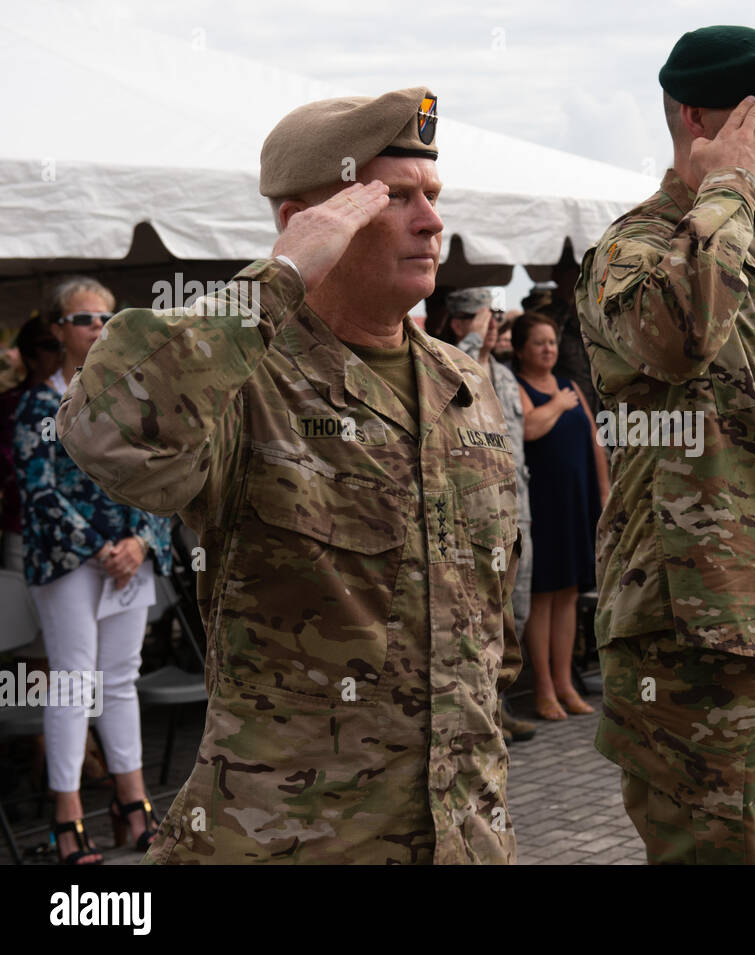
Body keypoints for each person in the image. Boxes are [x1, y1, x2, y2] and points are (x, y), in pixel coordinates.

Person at [58, 87, 522, 864]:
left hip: (462, 831)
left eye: (433, 196)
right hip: (294, 838)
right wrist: (277, 279)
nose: (432, 222)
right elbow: (106, 431)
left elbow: (482, 616)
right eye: (395, 198)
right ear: (303, 221)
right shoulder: (247, 381)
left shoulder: (462, 383)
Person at [577, 24, 755, 865]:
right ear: (695, 115)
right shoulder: (635, 247)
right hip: (692, 645)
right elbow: (678, 337)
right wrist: (726, 187)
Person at [15, 278, 174, 865]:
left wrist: (140, 540)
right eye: (83, 318)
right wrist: (101, 547)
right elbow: (39, 492)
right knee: (74, 683)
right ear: (57, 329)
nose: (98, 328)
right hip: (67, 563)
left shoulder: (133, 394)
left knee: (120, 679)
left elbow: (159, 473)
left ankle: (133, 805)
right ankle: (67, 816)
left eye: (107, 317)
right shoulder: (37, 403)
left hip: (128, 558)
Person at [445, 287, 539, 745]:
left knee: (513, 615)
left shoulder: (500, 374)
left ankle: (496, 710)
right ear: (459, 322)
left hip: (515, 514)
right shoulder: (443, 366)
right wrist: (471, 341)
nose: (492, 326)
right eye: (482, 318)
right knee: (471, 620)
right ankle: (471, 719)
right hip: (467, 518)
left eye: (495, 318)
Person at [513, 310, 606, 720]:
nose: (549, 349)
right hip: (539, 506)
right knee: (541, 597)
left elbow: (595, 440)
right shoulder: (515, 386)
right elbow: (528, 430)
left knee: (568, 594)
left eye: (552, 342)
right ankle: (543, 689)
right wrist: (556, 403)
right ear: (521, 350)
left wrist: (604, 494)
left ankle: (566, 684)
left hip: (575, 502)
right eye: (539, 342)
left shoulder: (571, 385)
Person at [1, 316, 62, 570]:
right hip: (25, 527)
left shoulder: (94, 400)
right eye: (51, 345)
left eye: (63, 344)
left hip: (92, 535)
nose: (60, 352)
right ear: (30, 354)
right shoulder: (8, 405)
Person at [543, 248, 598, 415]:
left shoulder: (591, 312)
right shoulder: (549, 317)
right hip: (563, 404)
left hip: (597, 404)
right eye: (574, 274)